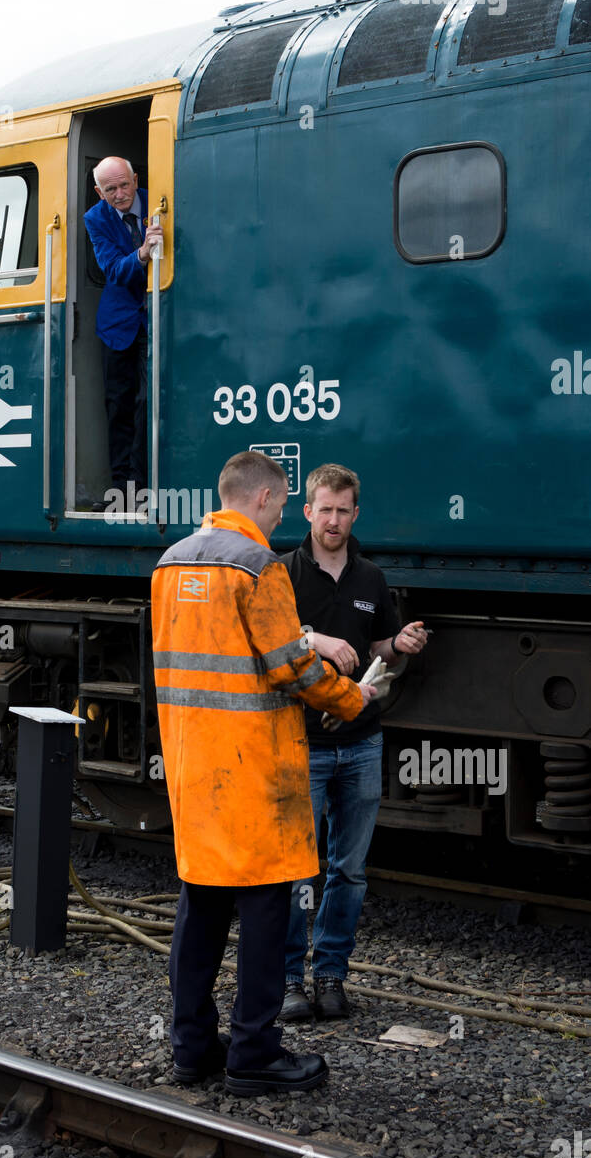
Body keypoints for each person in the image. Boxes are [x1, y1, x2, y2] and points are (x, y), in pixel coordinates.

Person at [151, 450, 377, 1095]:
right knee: (264, 909)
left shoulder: (169, 564)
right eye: (281, 505)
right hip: (256, 773)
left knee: (199, 908)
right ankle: (255, 1053)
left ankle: (192, 1049)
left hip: (194, 770)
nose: (282, 516)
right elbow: (292, 666)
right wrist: (352, 697)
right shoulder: (260, 566)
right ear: (263, 499)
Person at [278, 463, 429, 1023]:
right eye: (325, 509)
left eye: (343, 510)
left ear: (355, 513)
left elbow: (380, 648)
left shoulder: (370, 578)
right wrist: (315, 638)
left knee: (349, 870)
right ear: (308, 511)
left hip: (362, 742)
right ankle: (289, 978)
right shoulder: (282, 575)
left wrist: (402, 642)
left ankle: (331, 975)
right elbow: (262, 638)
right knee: (298, 868)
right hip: (304, 742)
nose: (334, 519)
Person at [84, 157, 162, 508]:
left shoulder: (161, 202)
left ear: (135, 179)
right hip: (117, 325)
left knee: (148, 402)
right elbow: (113, 269)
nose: (120, 194)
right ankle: (122, 491)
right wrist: (143, 254)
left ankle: (143, 487)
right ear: (99, 192)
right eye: (110, 189)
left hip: (156, 319)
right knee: (118, 406)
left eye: (124, 185)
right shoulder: (95, 218)